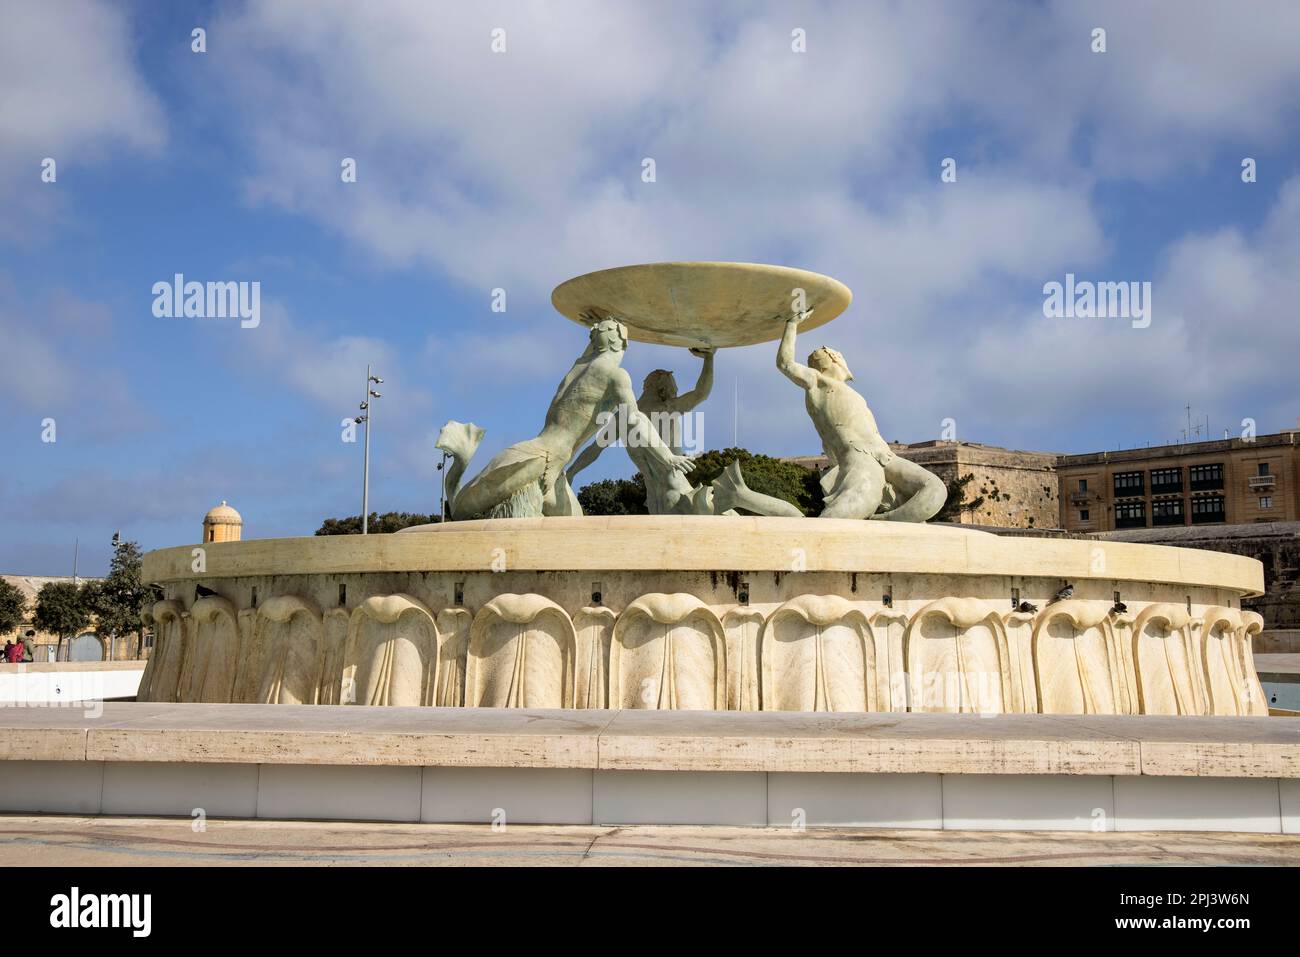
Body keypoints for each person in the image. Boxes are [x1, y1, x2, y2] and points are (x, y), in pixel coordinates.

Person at [438, 317, 694, 519]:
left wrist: (604, 323)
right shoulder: (617, 376)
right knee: (463, 510)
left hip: (550, 465)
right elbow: (635, 420)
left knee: (574, 526)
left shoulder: (578, 370)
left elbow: (592, 348)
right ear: (622, 343)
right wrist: (667, 457)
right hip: (540, 461)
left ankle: (461, 459)